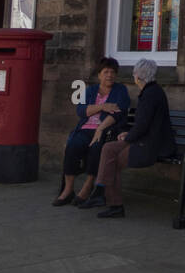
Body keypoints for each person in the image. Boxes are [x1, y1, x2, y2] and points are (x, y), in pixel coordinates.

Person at [83, 58, 175, 218]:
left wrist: (128, 137)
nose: (133, 76)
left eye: (134, 73)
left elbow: (142, 126)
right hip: (145, 140)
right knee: (108, 148)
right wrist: (128, 134)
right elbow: (144, 125)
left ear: (138, 76)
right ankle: (101, 192)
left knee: (112, 158)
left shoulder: (150, 95)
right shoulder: (151, 91)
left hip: (151, 146)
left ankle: (111, 201)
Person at [53, 58, 130, 207]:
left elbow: (118, 112)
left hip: (106, 131)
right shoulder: (90, 91)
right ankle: (68, 190)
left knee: (96, 149)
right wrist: (102, 107)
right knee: (72, 146)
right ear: (99, 74)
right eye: (106, 72)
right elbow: (81, 111)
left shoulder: (120, 90)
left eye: (113, 72)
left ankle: (87, 188)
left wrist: (100, 128)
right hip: (85, 129)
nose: (109, 75)